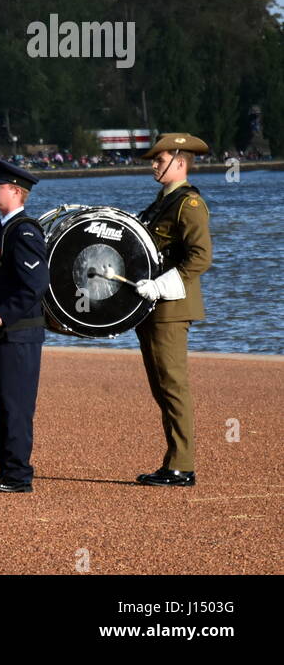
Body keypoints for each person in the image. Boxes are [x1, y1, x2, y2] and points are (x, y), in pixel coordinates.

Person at [132, 132, 213, 487]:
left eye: (159, 160)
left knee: (173, 386)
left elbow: (201, 256)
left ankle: (182, 464)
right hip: (152, 306)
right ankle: (173, 461)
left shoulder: (188, 204)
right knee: (161, 386)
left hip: (171, 306)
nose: (154, 164)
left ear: (179, 162)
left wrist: (161, 285)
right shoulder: (163, 202)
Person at [0, 158, 50, 493]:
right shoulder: (3, 229)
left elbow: (35, 284)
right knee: (4, 403)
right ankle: (7, 470)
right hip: (3, 333)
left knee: (16, 405)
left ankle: (18, 475)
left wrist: (3, 314)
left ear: (16, 192)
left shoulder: (23, 231)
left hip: (20, 333)